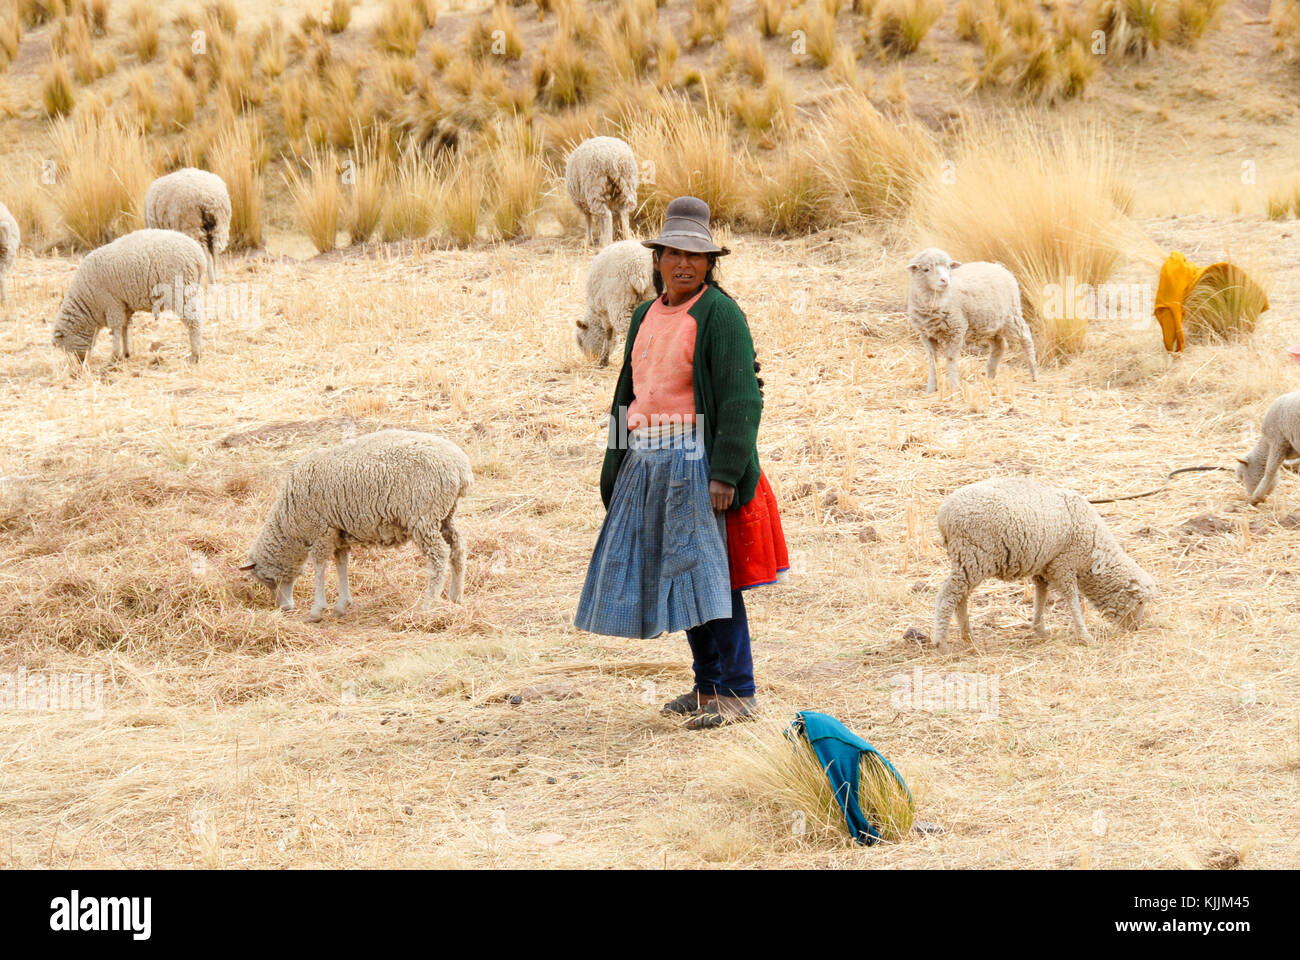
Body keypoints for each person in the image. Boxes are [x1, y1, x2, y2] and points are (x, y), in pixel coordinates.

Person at [574, 196, 787, 729]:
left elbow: (742, 399)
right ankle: (706, 686)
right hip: (647, 461)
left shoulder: (720, 314)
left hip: (694, 459)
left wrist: (724, 473)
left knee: (711, 578)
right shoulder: (646, 314)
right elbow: (627, 394)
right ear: (657, 259)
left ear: (710, 263)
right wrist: (616, 462)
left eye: (696, 255)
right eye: (674, 252)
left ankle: (738, 691)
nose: (684, 263)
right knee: (678, 575)